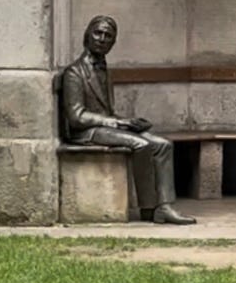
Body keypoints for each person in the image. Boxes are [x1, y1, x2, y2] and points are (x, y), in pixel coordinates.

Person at [59, 15, 195, 224]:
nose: (102, 39)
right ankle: (148, 207)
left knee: (163, 145)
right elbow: (76, 116)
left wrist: (129, 121)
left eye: (108, 36)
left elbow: (106, 110)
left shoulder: (105, 71)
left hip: (105, 126)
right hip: (85, 132)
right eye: (98, 33)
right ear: (87, 35)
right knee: (141, 144)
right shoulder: (74, 72)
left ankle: (165, 207)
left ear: (113, 43)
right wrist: (117, 123)